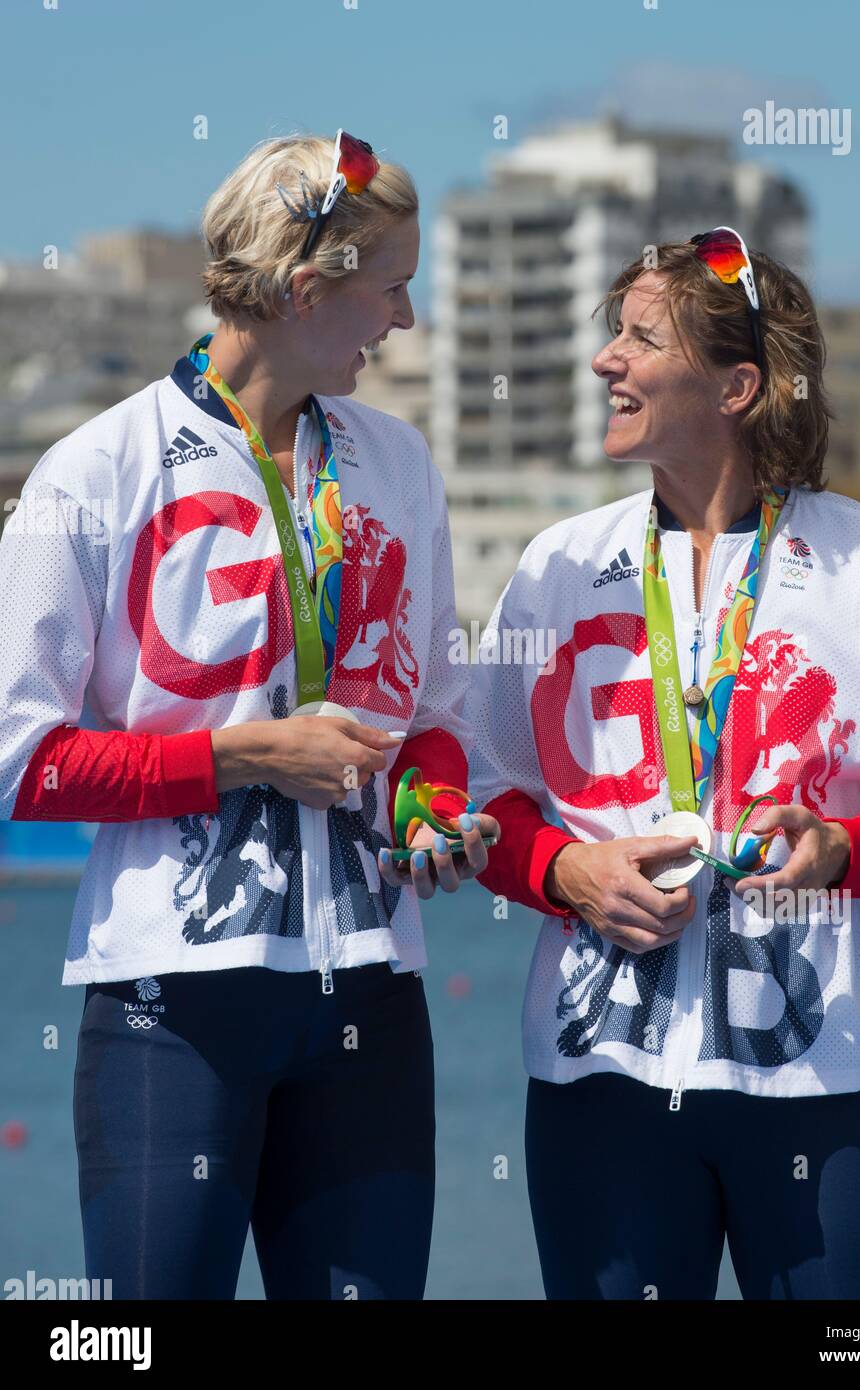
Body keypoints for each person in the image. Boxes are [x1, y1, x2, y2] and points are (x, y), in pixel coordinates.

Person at [0, 130, 496, 1300]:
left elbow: (433, 716)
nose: (407, 321)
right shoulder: (95, 470)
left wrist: (431, 812)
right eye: (390, 289)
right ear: (307, 289)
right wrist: (242, 756)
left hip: (374, 988)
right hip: (177, 998)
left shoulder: (397, 460)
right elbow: (21, 763)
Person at [464, 227, 860, 1300]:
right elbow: (484, 802)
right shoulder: (556, 565)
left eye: (638, 336)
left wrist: (846, 847)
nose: (603, 360)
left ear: (735, 385)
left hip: (821, 1079)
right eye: (608, 332)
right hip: (599, 1079)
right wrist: (567, 875)